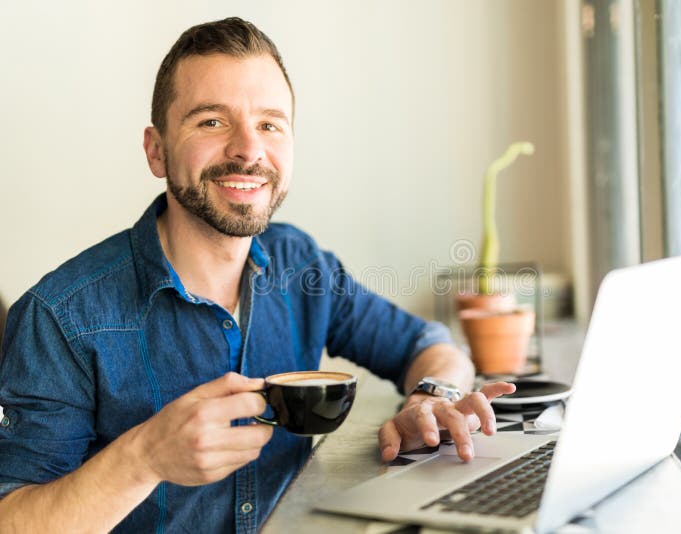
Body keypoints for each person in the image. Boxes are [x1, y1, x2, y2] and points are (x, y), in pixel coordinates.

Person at [0, 17, 513, 533]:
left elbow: (428, 343)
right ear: (157, 150)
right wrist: (144, 458)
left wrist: (432, 397)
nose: (249, 149)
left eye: (270, 123)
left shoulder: (300, 264)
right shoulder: (60, 317)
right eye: (211, 122)